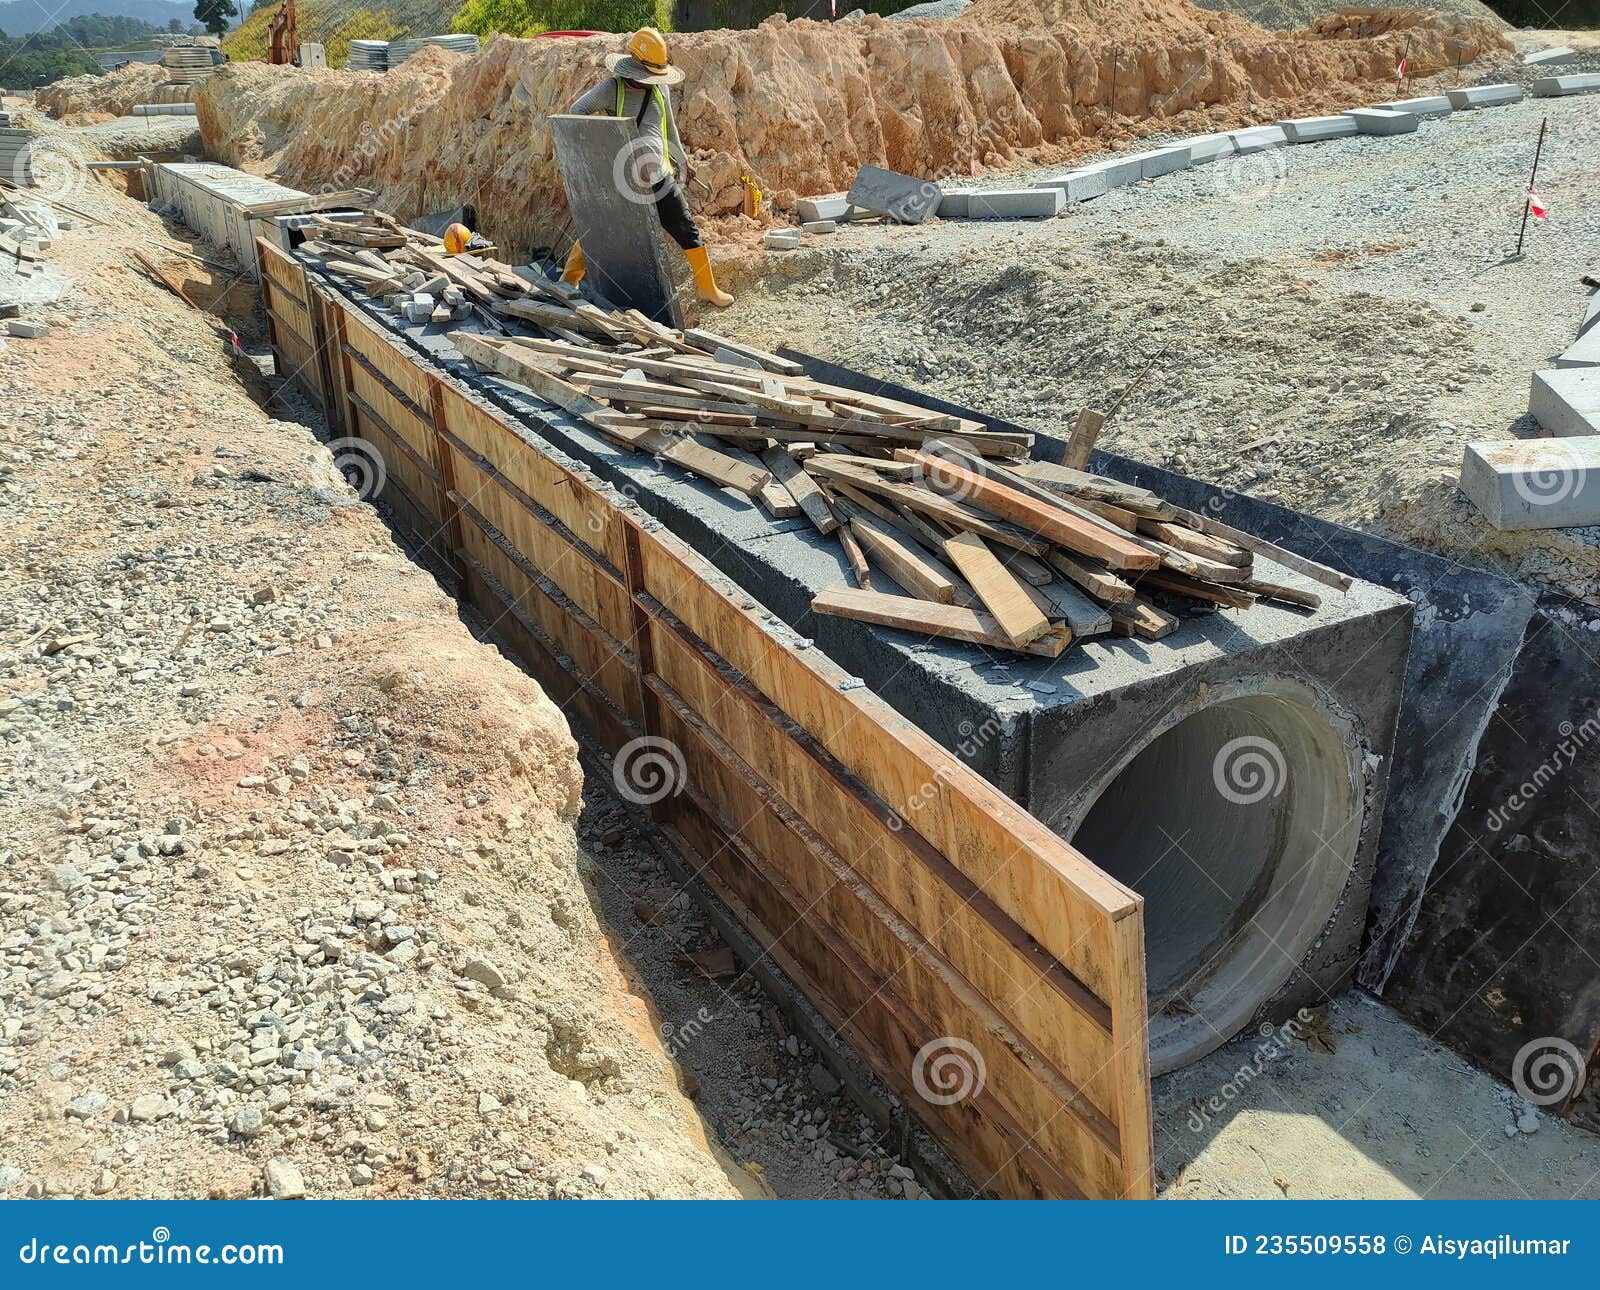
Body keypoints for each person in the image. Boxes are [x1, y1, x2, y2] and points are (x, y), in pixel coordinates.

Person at [560, 27, 732, 308]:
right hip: (623, 179)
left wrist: (681, 158)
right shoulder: (611, 89)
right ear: (634, 65)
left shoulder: (660, 88)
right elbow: (578, 112)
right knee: (600, 229)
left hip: (659, 176)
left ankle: (708, 288)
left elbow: (669, 127)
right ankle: (569, 281)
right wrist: (603, 146)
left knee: (686, 228)